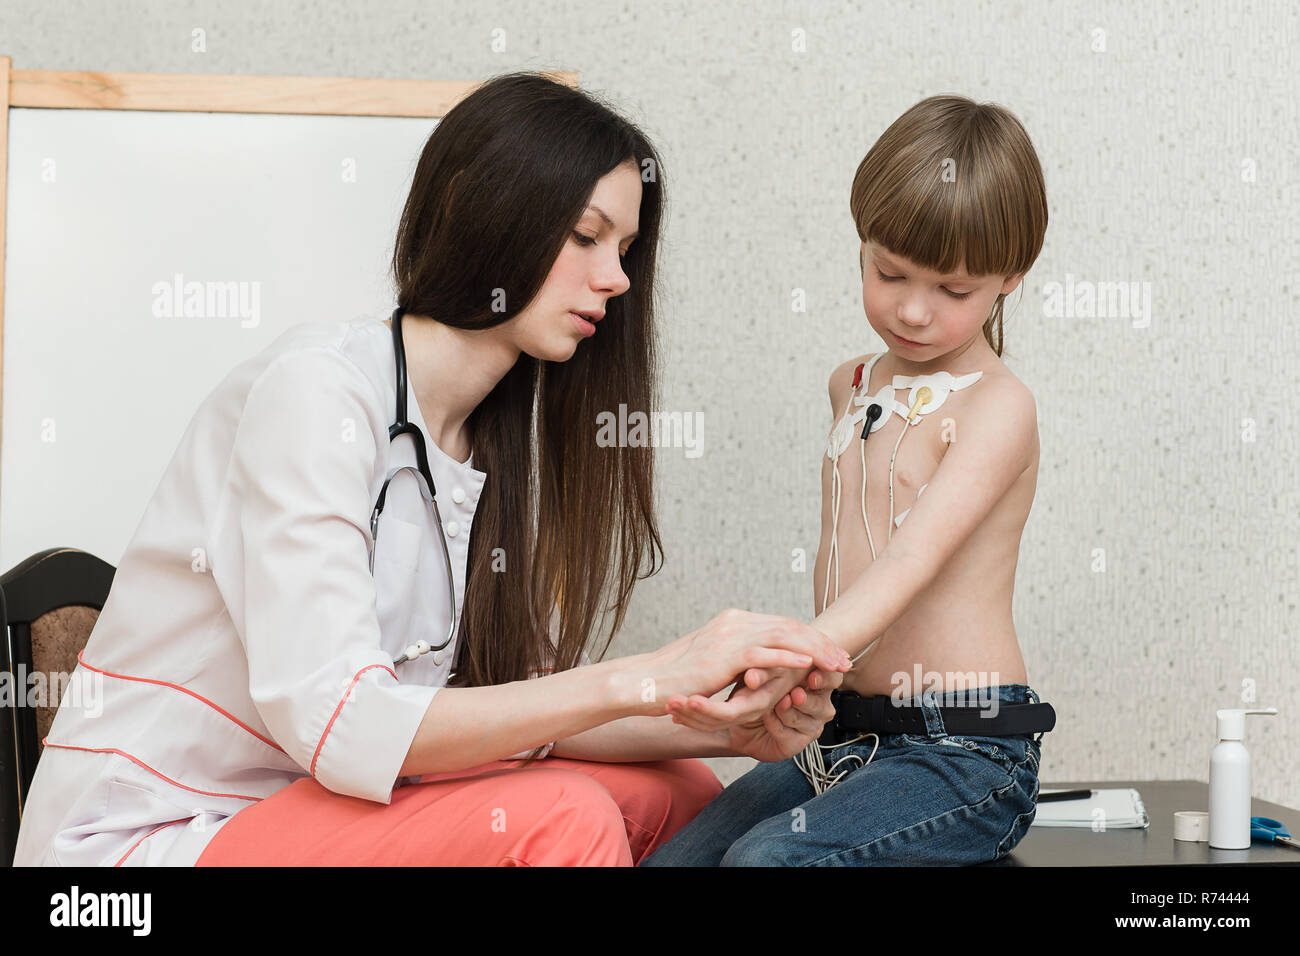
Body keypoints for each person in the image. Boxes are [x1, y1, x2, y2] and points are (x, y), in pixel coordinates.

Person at [13, 71, 853, 868]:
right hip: (136, 851)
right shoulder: (316, 393)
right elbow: (344, 728)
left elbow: (521, 714)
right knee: (566, 816)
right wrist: (648, 675)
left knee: (678, 790)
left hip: (296, 813)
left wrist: (723, 728)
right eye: (585, 236)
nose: (616, 278)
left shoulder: (485, 443)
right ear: (480, 210)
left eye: (626, 247)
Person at [642, 94, 1054, 866]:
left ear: (1011, 277)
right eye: (888, 271)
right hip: (840, 739)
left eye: (953, 291)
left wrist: (789, 656)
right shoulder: (852, 383)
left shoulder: (1000, 408)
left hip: (961, 750)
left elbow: (907, 562)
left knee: (767, 862)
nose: (913, 310)